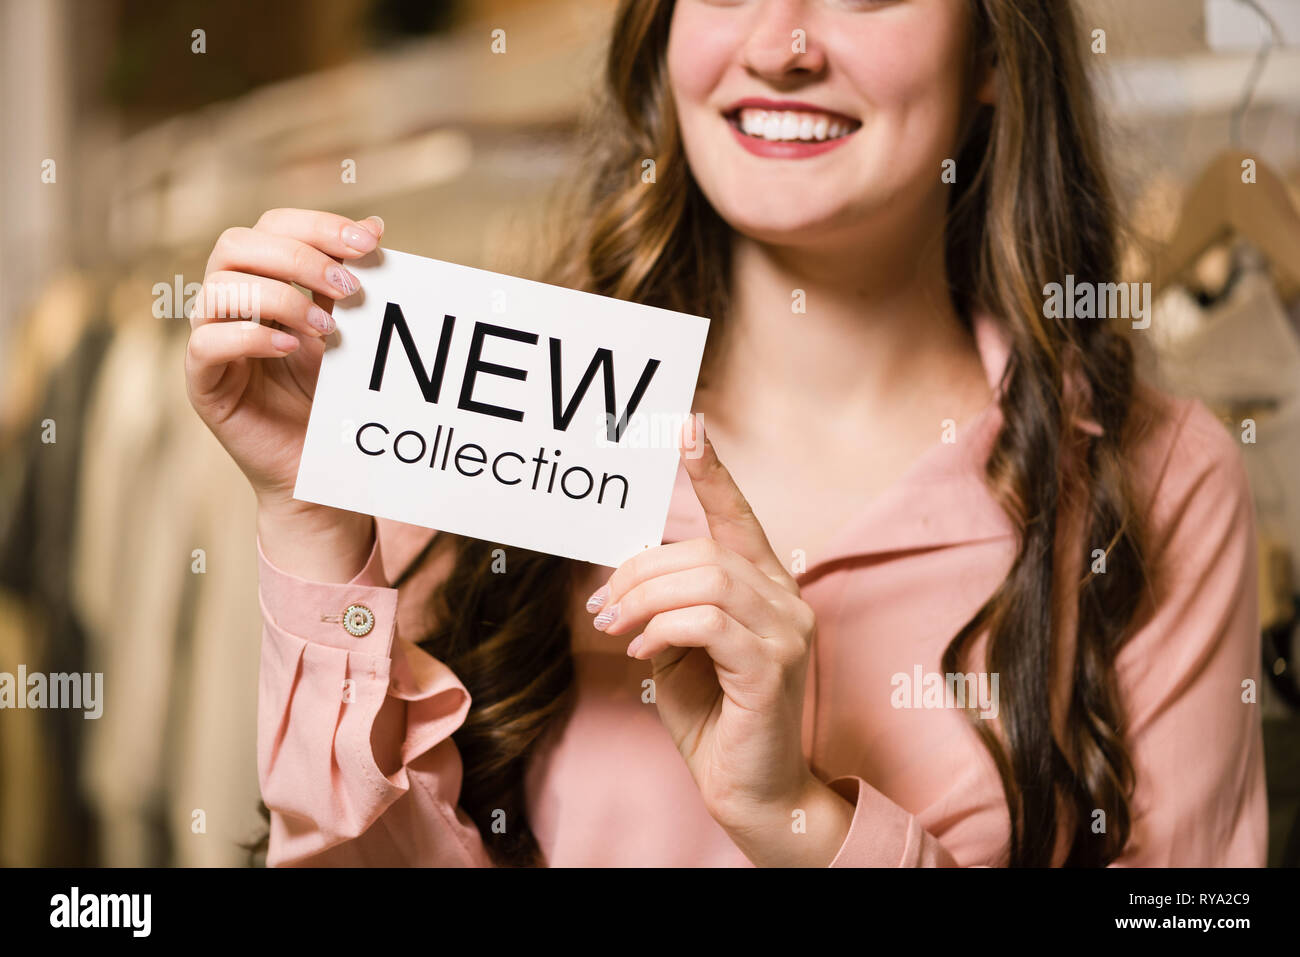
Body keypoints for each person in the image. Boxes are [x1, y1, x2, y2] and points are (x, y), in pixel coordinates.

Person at [185, 0, 1267, 867]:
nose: (779, 44)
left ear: (991, 46)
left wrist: (800, 823)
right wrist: (314, 526)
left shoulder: (1157, 480)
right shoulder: (486, 397)